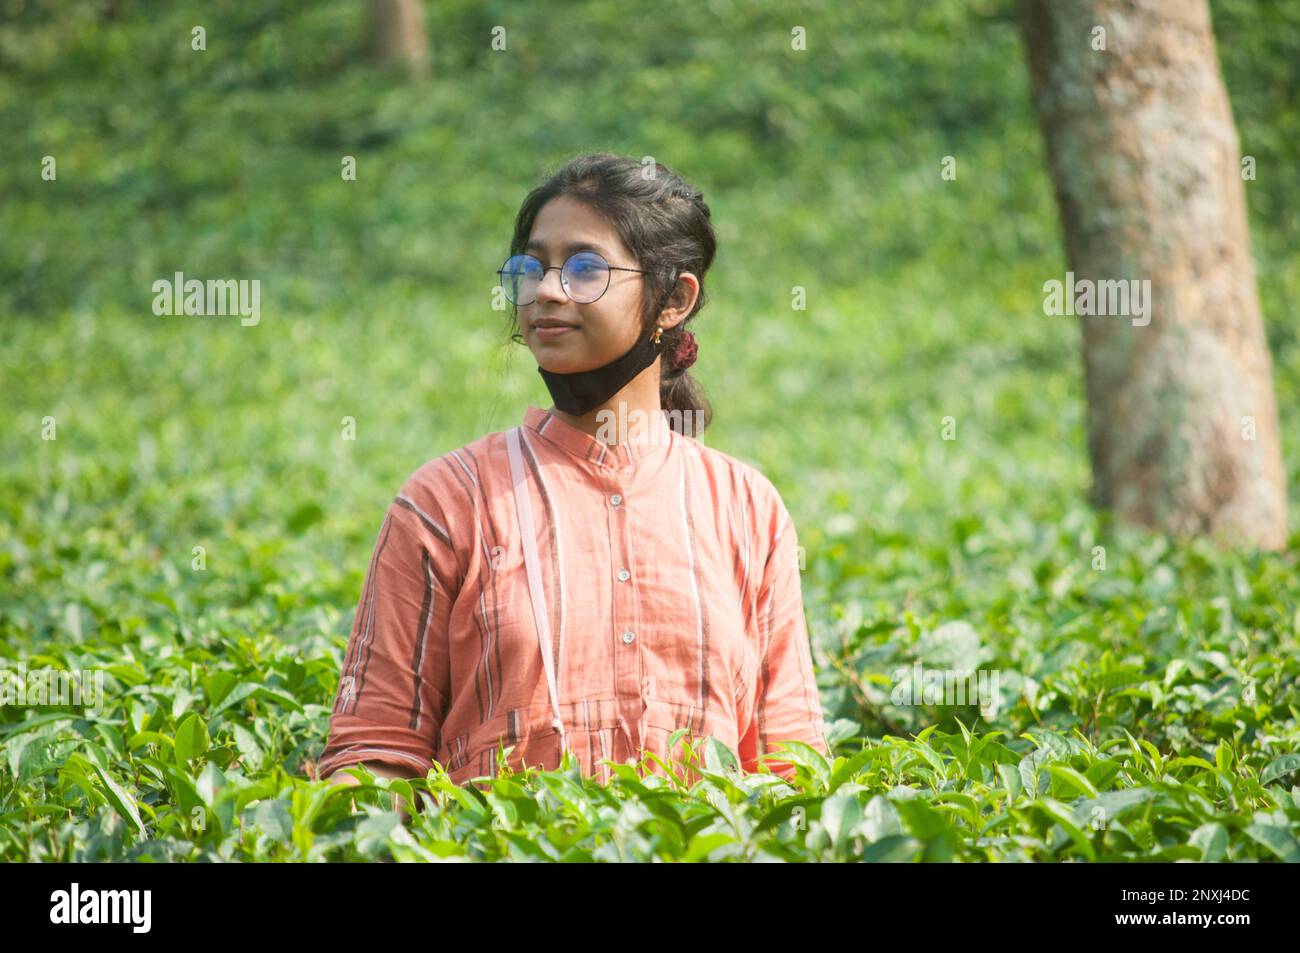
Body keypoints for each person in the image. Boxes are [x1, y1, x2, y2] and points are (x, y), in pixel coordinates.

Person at [317, 152, 828, 805]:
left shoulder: (747, 507)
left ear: (673, 299)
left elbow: (794, 769)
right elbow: (372, 754)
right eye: (531, 268)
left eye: (585, 268)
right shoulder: (443, 503)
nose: (548, 291)